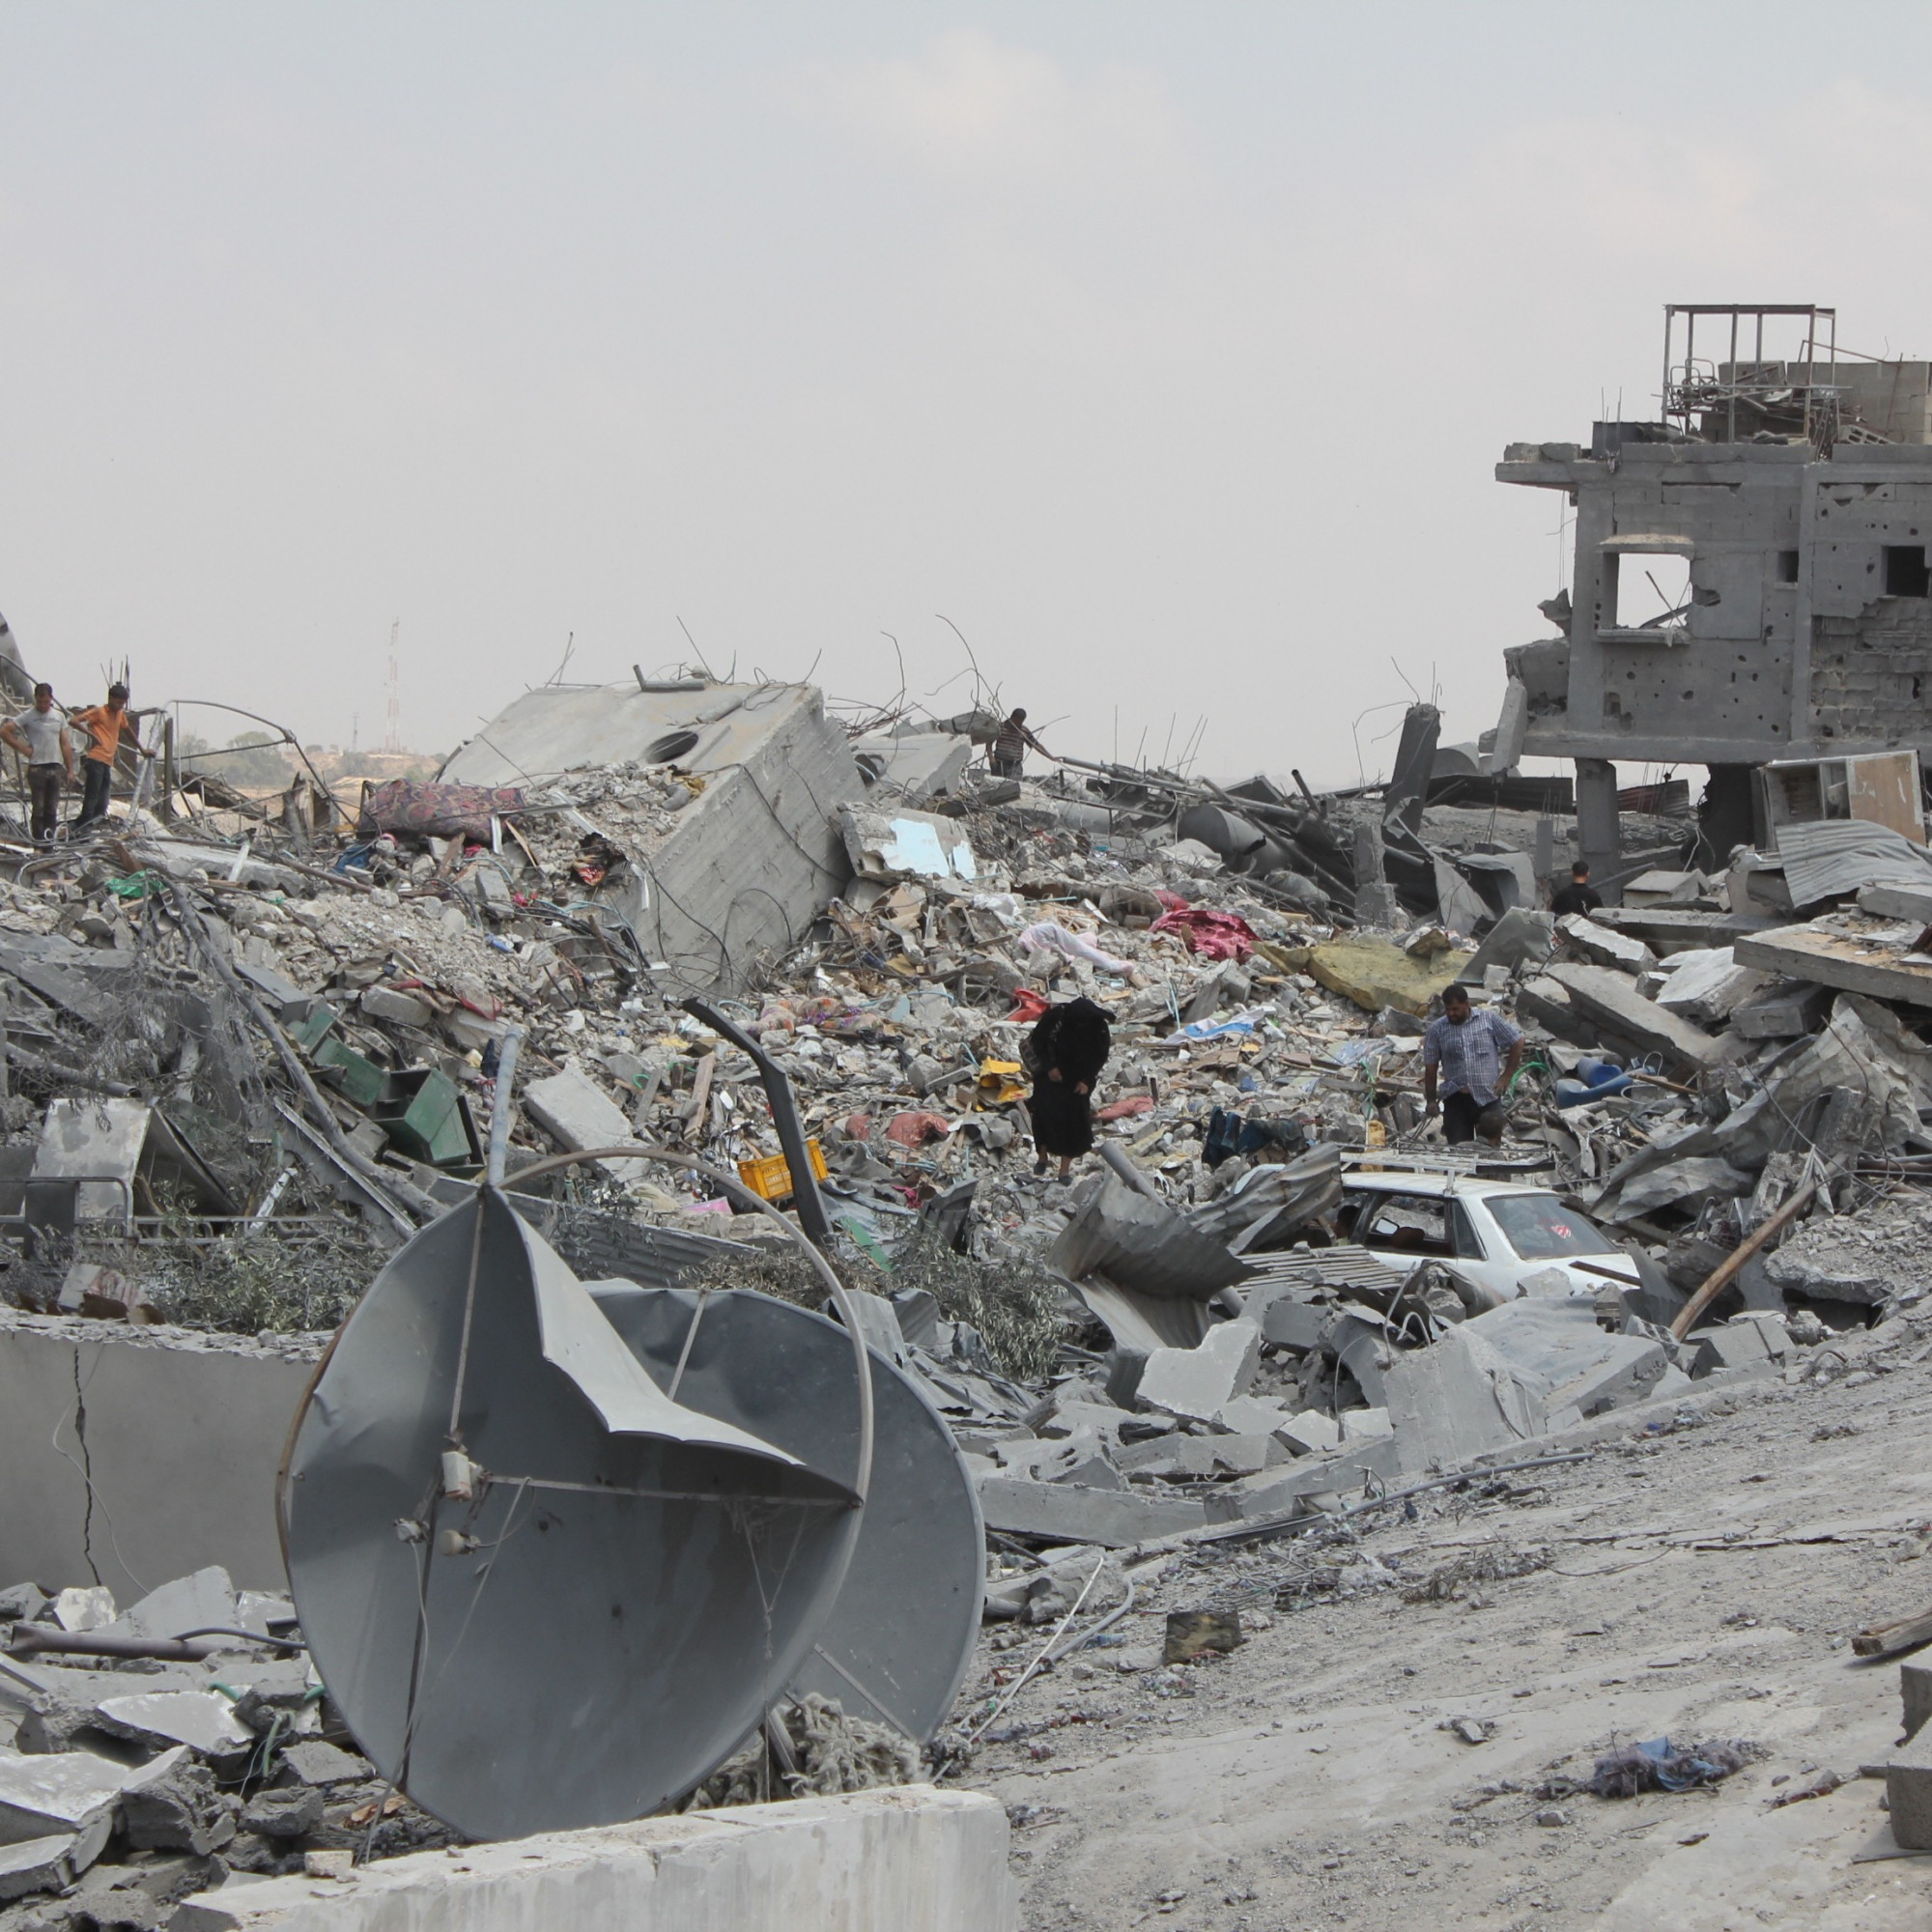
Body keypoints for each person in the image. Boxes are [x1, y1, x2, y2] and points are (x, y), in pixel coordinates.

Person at [1421, 983, 1522, 1146]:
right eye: (1448, 1010)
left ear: (1466, 1004)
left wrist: (1506, 1077)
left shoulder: (1488, 1020)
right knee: (1460, 1151)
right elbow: (1431, 1067)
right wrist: (1431, 1100)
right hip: (1456, 1101)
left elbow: (1517, 1041)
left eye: (1455, 1009)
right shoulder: (1437, 1030)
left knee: (1489, 1150)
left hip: (1488, 1097)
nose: (1451, 1014)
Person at [1024, 995, 1111, 1180]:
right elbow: (1039, 1040)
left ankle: (1064, 1170)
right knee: (1043, 1114)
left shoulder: (1098, 1027)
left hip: (1077, 1080)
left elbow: (1100, 1056)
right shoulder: (1059, 1017)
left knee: (1074, 1123)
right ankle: (1042, 1157)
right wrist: (1050, 1067)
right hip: (1050, 1077)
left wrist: (1086, 1081)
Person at [70, 682, 154, 831]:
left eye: (123, 703)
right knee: (92, 798)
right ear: (111, 698)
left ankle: (90, 827)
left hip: (107, 761)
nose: (120, 706)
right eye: (119, 702)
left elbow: (128, 731)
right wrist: (90, 734)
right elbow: (73, 721)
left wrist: (142, 749)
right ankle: (80, 828)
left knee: (103, 802)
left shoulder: (120, 715)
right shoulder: (99, 712)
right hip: (96, 759)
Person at [0, 684, 76, 842]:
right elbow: (5, 731)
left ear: (51, 700)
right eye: (40, 702)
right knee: (39, 809)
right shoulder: (29, 715)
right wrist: (22, 749)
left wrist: (70, 770)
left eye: (46, 702)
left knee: (52, 809)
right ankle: (38, 844)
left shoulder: (58, 716)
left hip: (55, 767)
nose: (43, 706)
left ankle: (49, 844)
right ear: (36, 699)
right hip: (37, 768)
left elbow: (65, 744)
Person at [990, 707, 1049, 780]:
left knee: (1013, 786)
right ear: (1012, 718)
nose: (1018, 724)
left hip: (1015, 765)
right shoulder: (1000, 727)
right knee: (996, 785)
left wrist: (1050, 757)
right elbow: (989, 743)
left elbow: (1036, 745)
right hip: (999, 764)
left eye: (1020, 722)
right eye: (1016, 721)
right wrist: (991, 759)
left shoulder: (1024, 731)